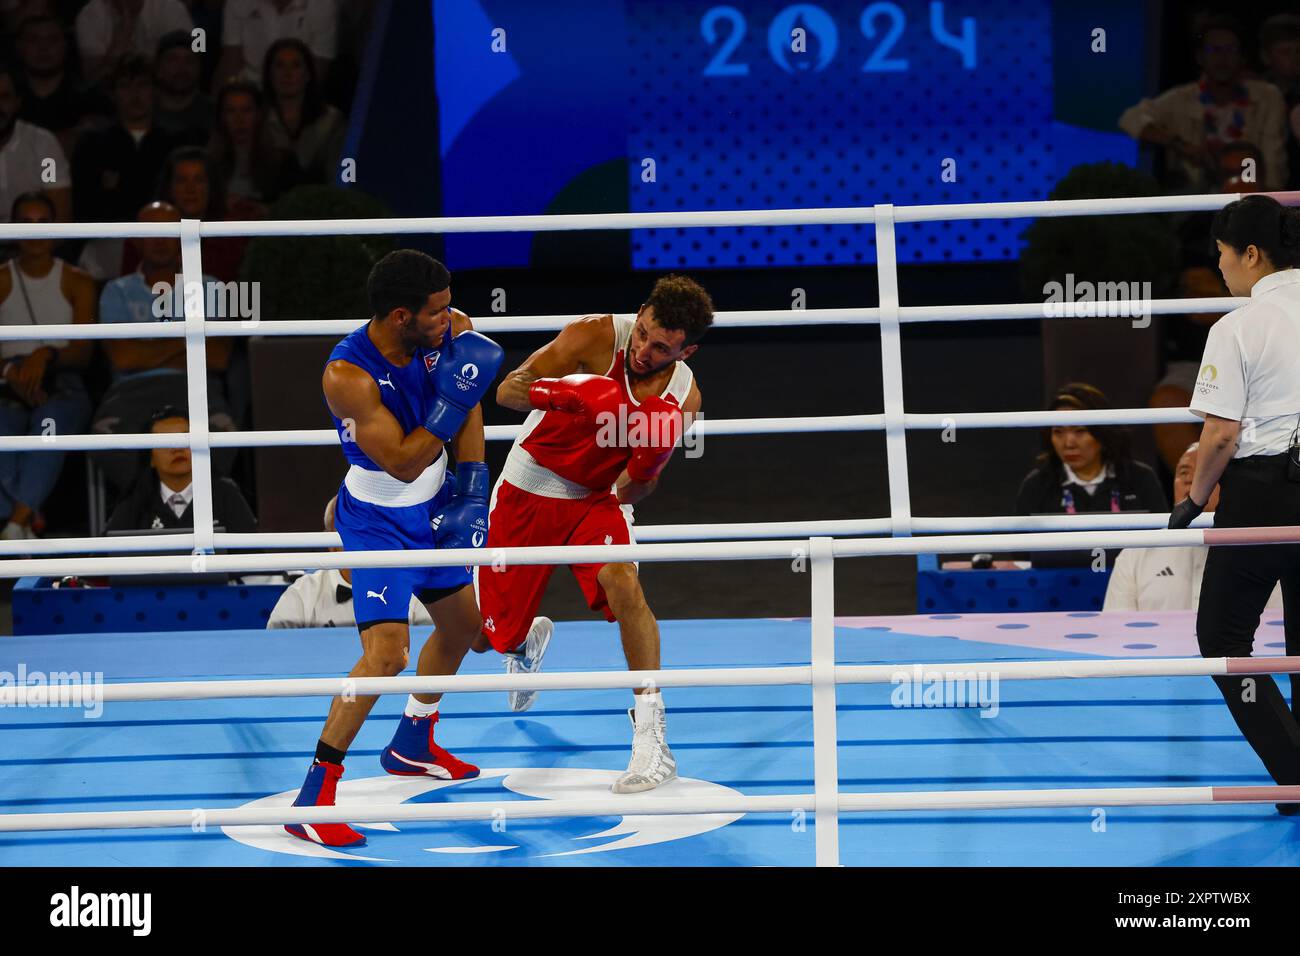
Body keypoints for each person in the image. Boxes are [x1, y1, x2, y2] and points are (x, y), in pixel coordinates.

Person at [284, 250, 504, 848]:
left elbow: (472, 403)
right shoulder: (346, 376)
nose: (451, 318)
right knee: (387, 654)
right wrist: (455, 397)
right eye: (436, 311)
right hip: (378, 518)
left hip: (435, 505)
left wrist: (472, 485)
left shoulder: (448, 329)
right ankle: (315, 792)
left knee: (462, 627)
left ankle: (412, 741)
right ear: (401, 315)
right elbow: (404, 461)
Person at [479, 275, 710, 794]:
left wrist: (647, 467)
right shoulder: (593, 335)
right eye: (644, 334)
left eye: (662, 348)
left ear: (686, 350)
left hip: (597, 499)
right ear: (640, 314)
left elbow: (637, 489)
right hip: (527, 487)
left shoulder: (682, 397)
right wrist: (567, 395)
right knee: (488, 636)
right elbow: (508, 389)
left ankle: (652, 737)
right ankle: (523, 643)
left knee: (624, 585)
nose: (645, 351)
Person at [1168, 194, 1300, 815]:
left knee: (1222, 636)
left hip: (1265, 489)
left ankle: (1295, 771)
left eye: (1222, 255)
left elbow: (1219, 436)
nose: (1220, 268)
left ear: (1251, 253)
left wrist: (1193, 500)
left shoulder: (1239, 326)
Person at [90, 201, 236, 494]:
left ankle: (194, 510)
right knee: (106, 440)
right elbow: (124, 358)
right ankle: (149, 509)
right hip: (130, 393)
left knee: (225, 435)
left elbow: (218, 357)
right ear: (136, 240)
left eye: (168, 231)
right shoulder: (116, 290)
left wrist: (150, 346)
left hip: (197, 387)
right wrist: (190, 338)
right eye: (151, 231)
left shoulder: (210, 287)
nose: (159, 240)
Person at [0, 192, 94, 540]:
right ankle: (23, 522)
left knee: (48, 427)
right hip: (7, 382)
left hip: (62, 381)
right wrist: (11, 372)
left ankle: (13, 525)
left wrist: (46, 355)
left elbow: (83, 353)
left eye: (44, 223)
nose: (36, 231)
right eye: (26, 223)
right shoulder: (1, 278)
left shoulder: (77, 281)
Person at [1118, 15, 1289, 192]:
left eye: (1231, 50)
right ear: (1200, 58)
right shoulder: (1181, 98)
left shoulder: (1267, 96)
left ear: (1243, 58)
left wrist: (1267, 206)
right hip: (1195, 204)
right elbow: (1131, 118)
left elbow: (1273, 163)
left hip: (1253, 197)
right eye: (1214, 50)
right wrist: (1181, 145)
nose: (1223, 58)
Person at [1105, 442, 1283, 611]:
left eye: (1202, 471)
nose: (1190, 480)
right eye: (1183, 472)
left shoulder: (1262, 552)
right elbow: (1117, 627)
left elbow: (1276, 630)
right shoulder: (1136, 553)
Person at [267, 495, 434, 629]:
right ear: (330, 544)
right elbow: (274, 653)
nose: (363, 541)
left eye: (371, 529)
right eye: (350, 532)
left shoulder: (415, 590)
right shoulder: (303, 594)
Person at [105, 405, 256, 533]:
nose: (177, 448)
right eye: (166, 441)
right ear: (150, 458)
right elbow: (103, 560)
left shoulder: (226, 494)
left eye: (185, 438)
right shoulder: (133, 503)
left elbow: (254, 559)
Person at [208, 79, 300, 218]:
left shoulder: (284, 161)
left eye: (246, 110)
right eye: (231, 111)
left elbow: (295, 207)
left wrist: (265, 210)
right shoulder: (207, 164)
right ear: (221, 117)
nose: (239, 119)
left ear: (258, 115)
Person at [260, 38, 345, 185]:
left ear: (308, 75)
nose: (287, 74)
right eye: (280, 66)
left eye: (296, 66)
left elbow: (340, 176)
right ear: (269, 75)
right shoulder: (256, 117)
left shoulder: (332, 121)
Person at [0, 62, 71, 224]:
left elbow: (59, 212)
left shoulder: (44, 146)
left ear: (18, 102)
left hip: (33, 245)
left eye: (4, 97)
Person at [216, 0, 337, 87]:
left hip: (298, 88)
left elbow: (319, 67)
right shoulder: (237, 2)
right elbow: (231, 58)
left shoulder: (323, 4)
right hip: (250, 87)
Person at [74, 0, 192, 84]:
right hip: (110, 99)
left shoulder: (172, 7)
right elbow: (93, 79)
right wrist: (123, 31)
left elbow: (195, 57)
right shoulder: (90, 15)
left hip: (166, 94)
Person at [151, 29, 212, 145]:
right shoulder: (142, 113)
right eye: (173, 60)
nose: (182, 68)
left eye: (190, 60)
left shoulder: (214, 117)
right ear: (158, 69)